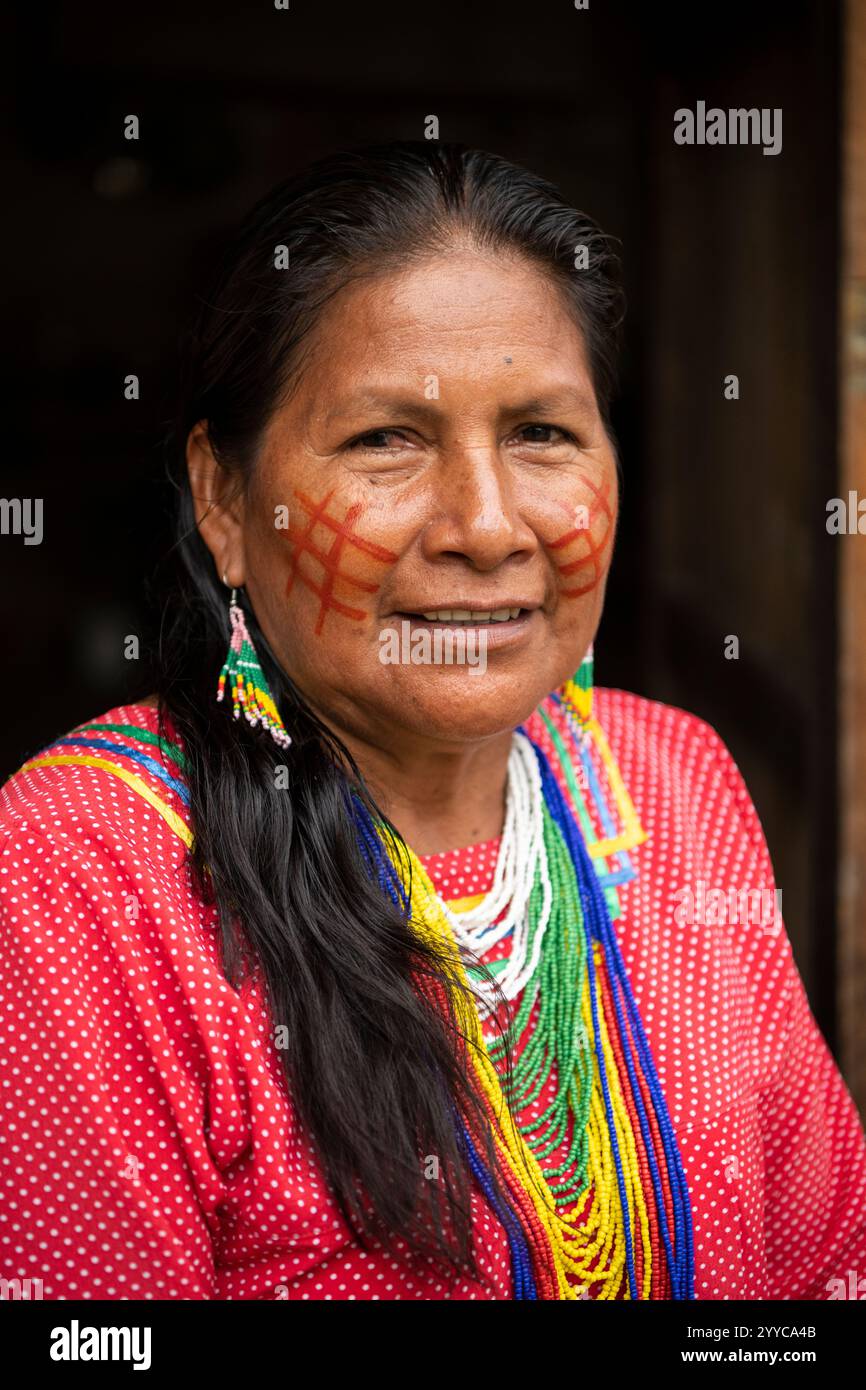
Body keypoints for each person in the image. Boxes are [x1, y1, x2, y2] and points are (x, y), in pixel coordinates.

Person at [1, 141, 864, 1301]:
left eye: (541, 432)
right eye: (385, 440)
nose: (486, 523)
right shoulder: (83, 866)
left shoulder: (667, 779)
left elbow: (825, 1268)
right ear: (222, 499)